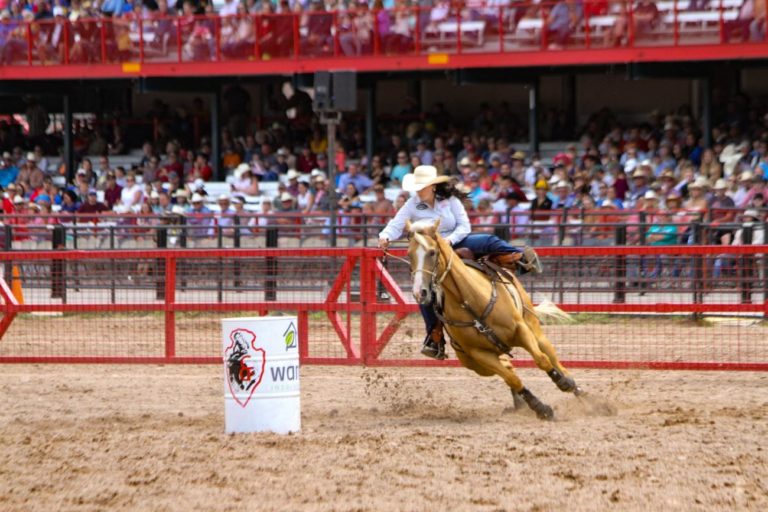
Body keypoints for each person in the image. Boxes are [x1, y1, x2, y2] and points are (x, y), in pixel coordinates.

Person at [377, 166, 542, 360]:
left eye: (422, 186)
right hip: (432, 250)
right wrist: (385, 236)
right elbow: (396, 224)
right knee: (425, 292)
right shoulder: (412, 204)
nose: (418, 190)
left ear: (433, 186)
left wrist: (449, 241)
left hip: (455, 240)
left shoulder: (450, 201)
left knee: (489, 241)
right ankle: (434, 336)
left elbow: (464, 226)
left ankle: (521, 260)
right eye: (417, 187)